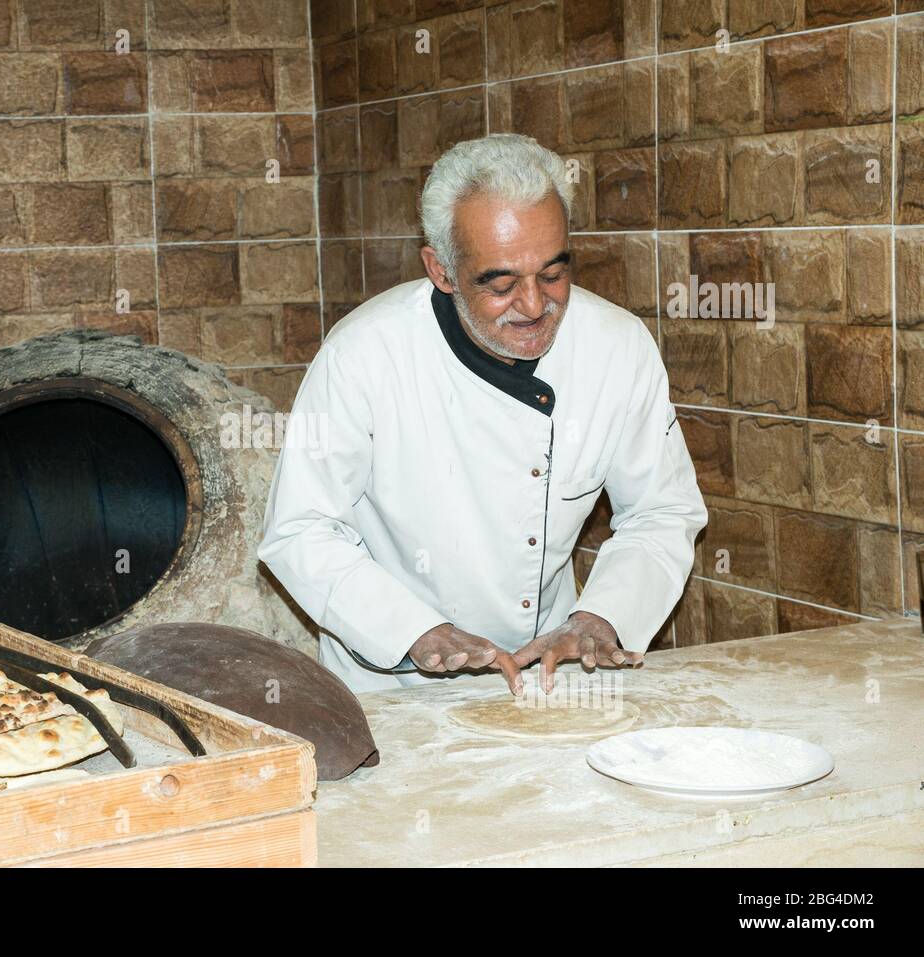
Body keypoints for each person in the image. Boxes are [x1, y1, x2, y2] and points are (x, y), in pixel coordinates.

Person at [258, 134, 707, 694]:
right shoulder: (363, 356)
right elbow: (300, 530)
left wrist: (600, 621)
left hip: (553, 671)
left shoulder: (617, 347)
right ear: (441, 271)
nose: (535, 305)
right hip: (394, 683)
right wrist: (415, 632)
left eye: (553, 273)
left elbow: (660, 513)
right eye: (500, 284)